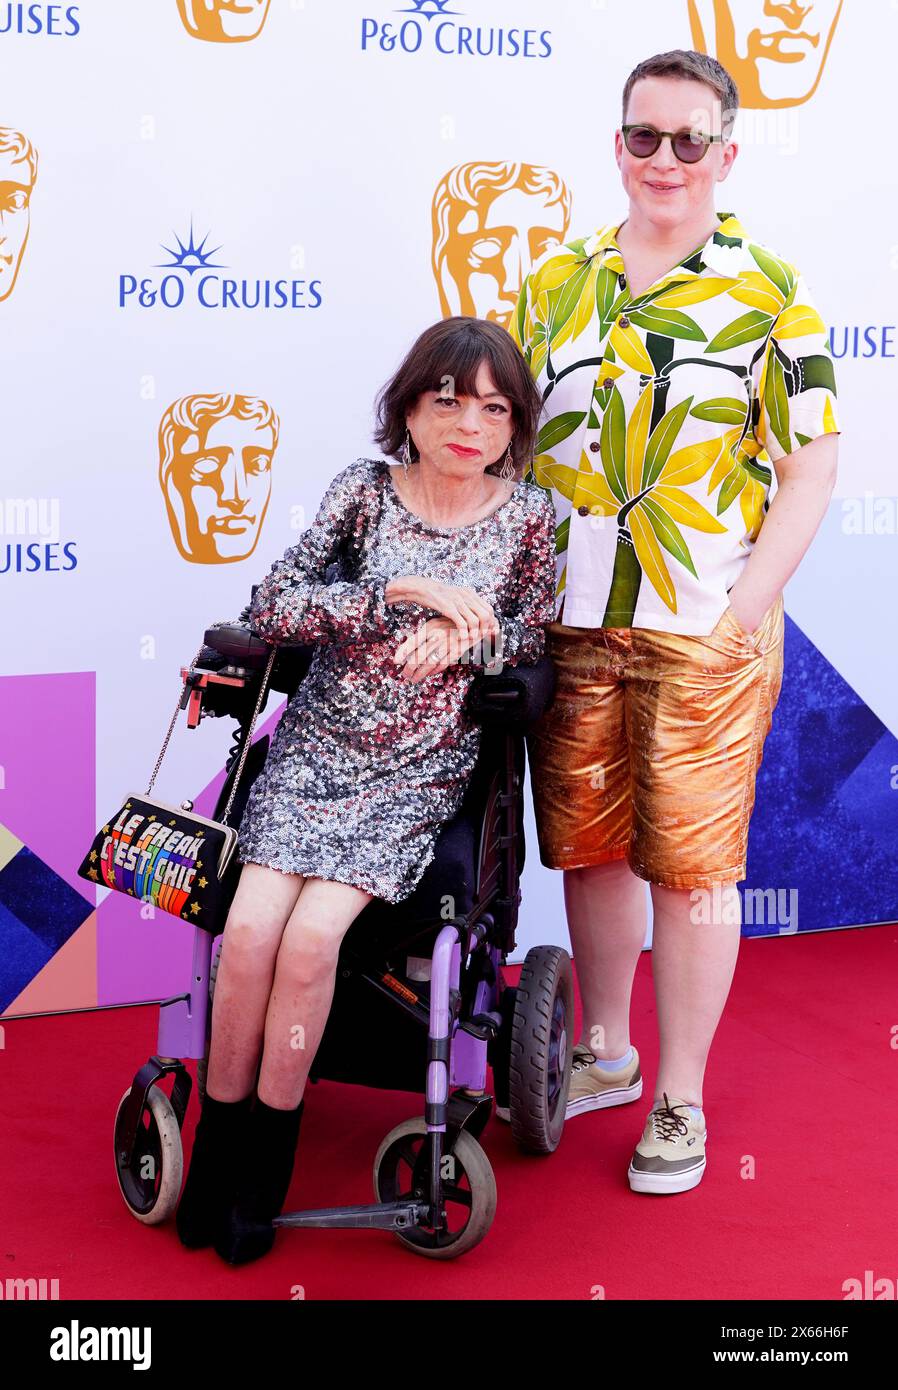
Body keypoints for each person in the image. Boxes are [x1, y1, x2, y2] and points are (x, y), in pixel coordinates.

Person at [508, 49, 840, 1194]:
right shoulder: (555, 282)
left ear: (725, 153)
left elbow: (809, 468)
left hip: (702, 626)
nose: (663, 158)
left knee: (691, 869)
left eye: (687, 139)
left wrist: (744, 610)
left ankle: (681, 1099)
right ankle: (606, 1051)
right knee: (591, 852)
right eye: (643, 137)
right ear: (616, 146)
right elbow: (508, 447)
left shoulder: (770, 292)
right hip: (569, 627)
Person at [175, 315, 557, 1262]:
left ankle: (261, 1173)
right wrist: (400, 593)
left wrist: (475, 635)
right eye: (449, 400)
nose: (471, 424)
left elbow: (535, 642)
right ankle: (214, 1157)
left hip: (415, 771)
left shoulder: (534, 517)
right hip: (312, 754)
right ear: (411, 409)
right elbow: (273, 605)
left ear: (515, 426)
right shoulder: (363, 492)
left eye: (495, 408)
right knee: (249, 934)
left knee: (308, 945)